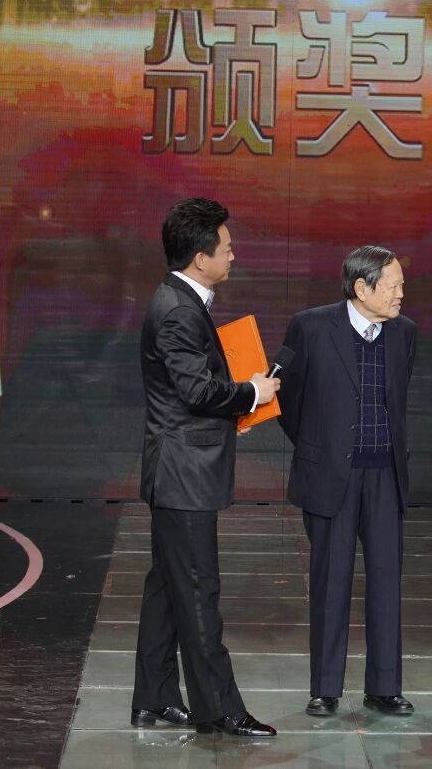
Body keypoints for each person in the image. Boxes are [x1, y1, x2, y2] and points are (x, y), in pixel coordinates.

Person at [132, 198, 280, 737]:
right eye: (227, 247)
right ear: (201, 257)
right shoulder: (178, 310)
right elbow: (197, 391)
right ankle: (219, 709)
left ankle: (153, 697)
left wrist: (238, 399)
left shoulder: (179, 300)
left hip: (179, 470)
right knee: (196, 591)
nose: (233, 255)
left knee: (168, 588)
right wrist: (252, 393)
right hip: (184, 473)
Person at [277, 246, 417, 717]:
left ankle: (384, 687)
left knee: (386, 582)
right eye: (393, 286)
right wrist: (319, 446)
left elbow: (397, 399)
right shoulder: (311, 326)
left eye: (401, 285)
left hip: (385, 475)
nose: (400, 294)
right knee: (330, 582)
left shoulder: (405, 333)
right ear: (361, 287)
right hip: (330, 475)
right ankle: (325, 688)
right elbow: (288, 399)